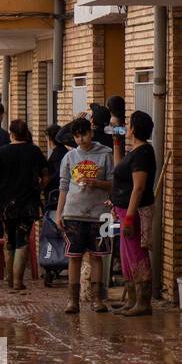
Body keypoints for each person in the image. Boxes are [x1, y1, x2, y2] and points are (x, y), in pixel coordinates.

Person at [55, 116, 115, 314]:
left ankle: (98, 300)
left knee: (97, 257)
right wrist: (59, 213)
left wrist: (96, 183)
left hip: (99, 214)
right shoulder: (70, 157)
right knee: (74, 257)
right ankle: (73, 301)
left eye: (84, 135)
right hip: (73, 212)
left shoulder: (106, 154)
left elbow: (113, 183)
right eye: (77, 136)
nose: (80, 139)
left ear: (91, 133)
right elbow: (63, 186)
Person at [0, 119, 47, 292]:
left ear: (11, 134)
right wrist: (38, 188)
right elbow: (46, 174)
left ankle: (9, 280)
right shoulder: (34, 151)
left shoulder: (3, 151)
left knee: (9, 238)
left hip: (7, 203)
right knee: (23, 239)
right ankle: (18, 281)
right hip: (28, 203)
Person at [109, 111, 157, 317]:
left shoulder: (143, 153)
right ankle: (131, 300)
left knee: (137, 255)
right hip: (123, 210)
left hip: (134, 213)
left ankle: (143, 302)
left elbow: (138, 188)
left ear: (134, 129)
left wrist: (128, 218)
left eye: (128, 124)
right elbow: (118, 169)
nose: (126, 126)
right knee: (127, 257)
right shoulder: (134, 151)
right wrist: (117, 143)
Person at [43, 123, 69, 209]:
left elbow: (60, 172)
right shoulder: (61, 150)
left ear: (50, 138)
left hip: (55, 194)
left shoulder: (58, 152)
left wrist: (48, 179)